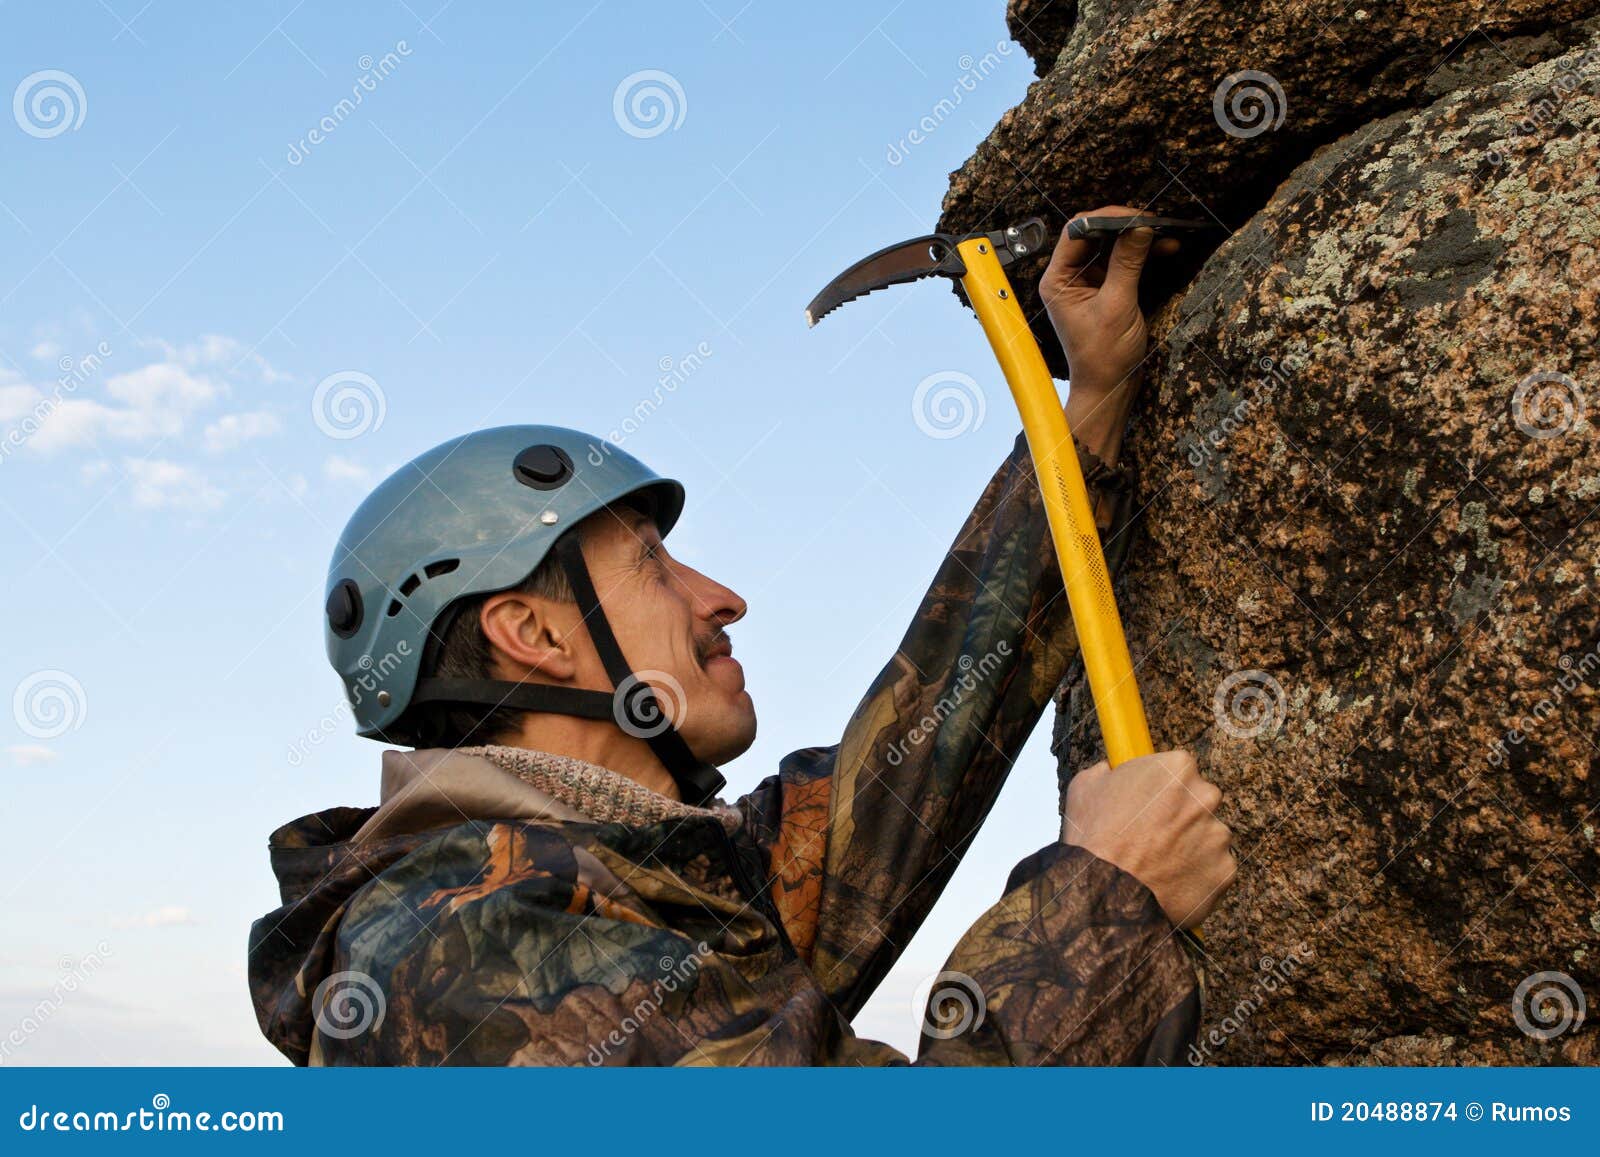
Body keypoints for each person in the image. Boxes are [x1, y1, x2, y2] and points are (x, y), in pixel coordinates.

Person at [248, 208, 1236, 1065]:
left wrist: (1093, 402)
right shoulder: (458, 947)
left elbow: (916, 752)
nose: (723, 598)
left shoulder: (656, 877)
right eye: (652, 562)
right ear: (534, 631)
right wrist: (1108, 898)